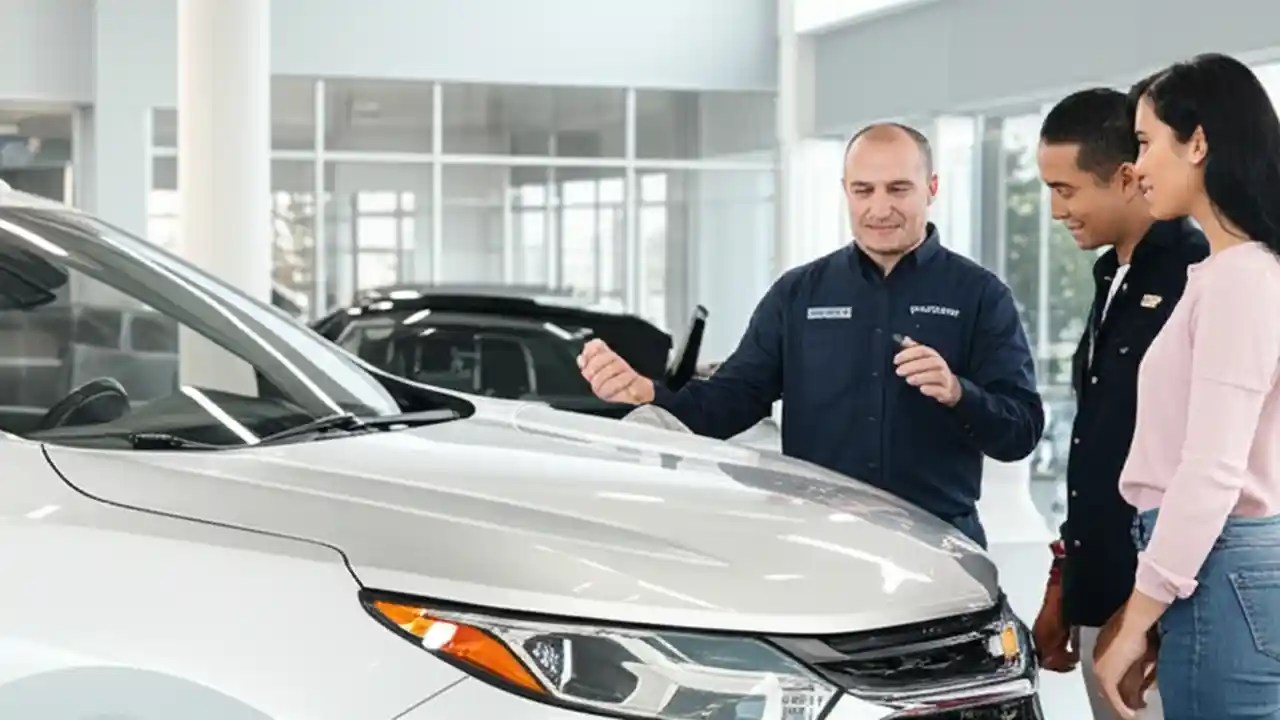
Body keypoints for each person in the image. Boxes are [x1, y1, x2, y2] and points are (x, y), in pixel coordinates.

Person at [577, 122, 1045, 548]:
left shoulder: (980, 295)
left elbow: (1020, 430)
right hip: (820, 545)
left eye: (898, 188)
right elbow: (733, 399)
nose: (879, 207)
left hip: (940, 542)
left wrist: (957, 393)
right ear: (846, 191)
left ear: (932, 188)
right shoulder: (798, 293)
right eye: (863, 190)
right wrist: (646, 393)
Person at [1092, 53, 1280, 720]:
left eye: (1144, 143)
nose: (1134, 166)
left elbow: (1211, 471)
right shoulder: (1234, 274)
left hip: (1220, 565)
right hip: (1218, 567)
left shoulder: (1240, 280)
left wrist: (1141, 615)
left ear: (1198, 141)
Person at [1030, 88, 1207, 719]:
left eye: (1067, 190)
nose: (1055, 210)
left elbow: (1201, 464)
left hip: (1159, 611)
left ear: (1128, 180)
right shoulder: (1113, 274)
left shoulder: (1197, 275)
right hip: (1102, 592)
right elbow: (1102, 444)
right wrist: (1067, 581)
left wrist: (1145, 614)